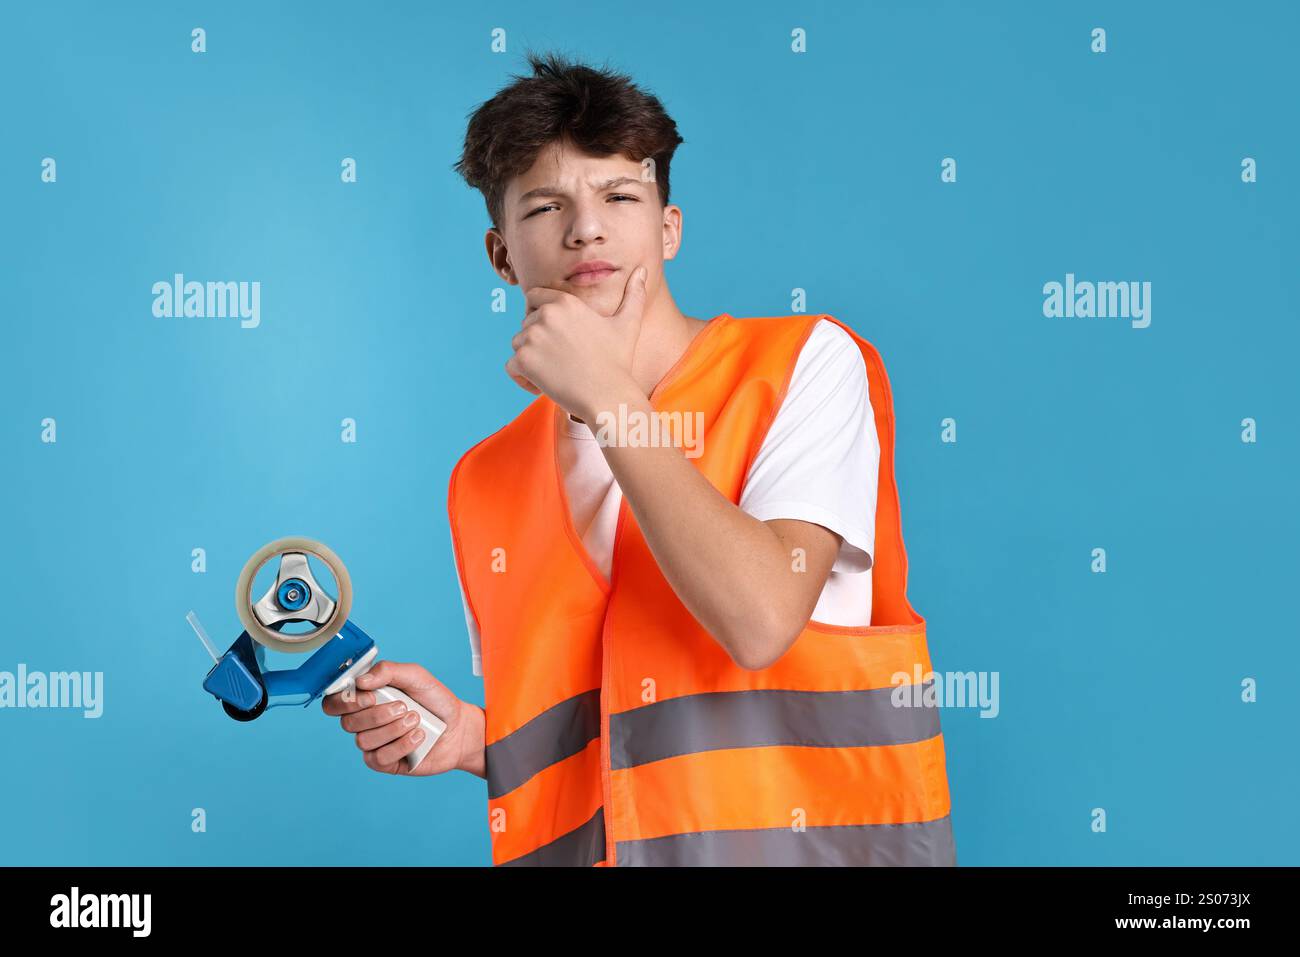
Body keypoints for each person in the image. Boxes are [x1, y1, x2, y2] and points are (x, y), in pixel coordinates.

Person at [323, 51, 955, 867]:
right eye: (546, 206)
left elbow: (760, 620)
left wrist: (610, 395)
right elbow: (626, 724)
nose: (587, 227)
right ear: (502, 256)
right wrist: (483, 741)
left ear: (668, 227)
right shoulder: (483, 482)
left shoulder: (801, 364)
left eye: (620, 196)